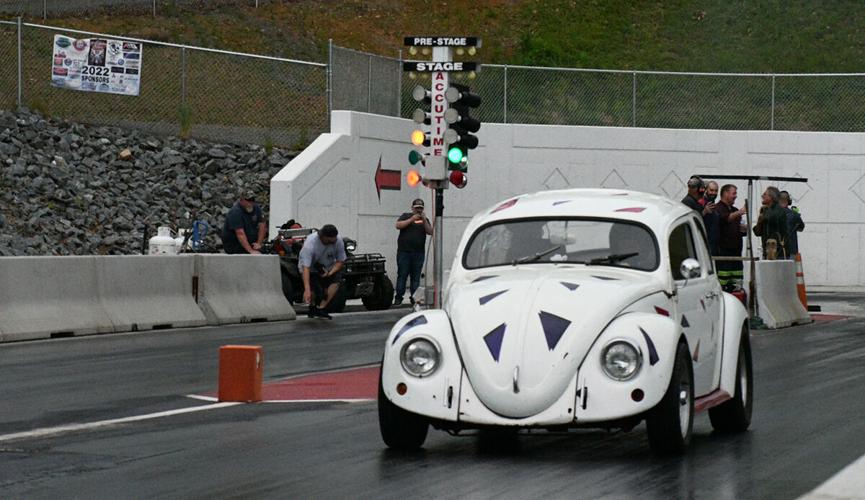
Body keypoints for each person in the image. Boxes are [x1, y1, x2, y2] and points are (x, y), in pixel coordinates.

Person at [298, 224, 346, 319]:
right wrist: (306, 289)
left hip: (328, 266)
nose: (331, 243)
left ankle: (321, 308)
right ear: (322, 237)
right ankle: (312, 307)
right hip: (310, 267)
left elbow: (341, 260)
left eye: (333, 241)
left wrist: (330, 273)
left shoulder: (338, 241)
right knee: (313, 289)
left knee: (336, 282)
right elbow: (306, 268)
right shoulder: (310, 244)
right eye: (328, 241)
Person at [394, 198, 433, 306]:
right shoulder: (406, 216)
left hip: (418, 253)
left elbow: (430, 231)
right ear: (412, 208)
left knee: (416, 277)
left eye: (420, 208)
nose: (418, 210)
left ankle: (414, 297)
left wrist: (424, 220)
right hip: (404, 252)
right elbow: (398, 225)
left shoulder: (425, 219)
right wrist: (412, 219)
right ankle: (398, 297)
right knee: (402, 275)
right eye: (416, 208)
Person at [715, 184, 748, 290]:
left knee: (737, 281)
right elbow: (726, 218)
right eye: (734, 193)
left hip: (736, 252)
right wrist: (740, 212)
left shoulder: (734, 209)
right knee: (723, 280)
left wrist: (743, 229)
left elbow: (737, 225)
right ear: (725, 193)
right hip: (724, 252)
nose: (736, 196)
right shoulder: (717, 208)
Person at [753, 186, 788, 259]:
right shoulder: (765, 211)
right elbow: (757, 232)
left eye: (765, 194)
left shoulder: (779, 211)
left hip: (778, 252)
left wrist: (763, 216)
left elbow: (771, 218)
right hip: (767, 251)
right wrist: (759, 222)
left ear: (771, 197)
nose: (762, 196)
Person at [779, 191, 805, 259]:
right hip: (791, 250)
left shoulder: (772, 214)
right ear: (789, 201)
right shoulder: (794, 215)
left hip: (777, 250)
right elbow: (801, 227)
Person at [702, 180, 721, 256]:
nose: (714, 193)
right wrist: (704, 212)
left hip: (714, 245)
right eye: (711, 190)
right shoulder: (701, 203)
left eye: (716, 191)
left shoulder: (714, 205)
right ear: (706, 190)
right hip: (704, 244)